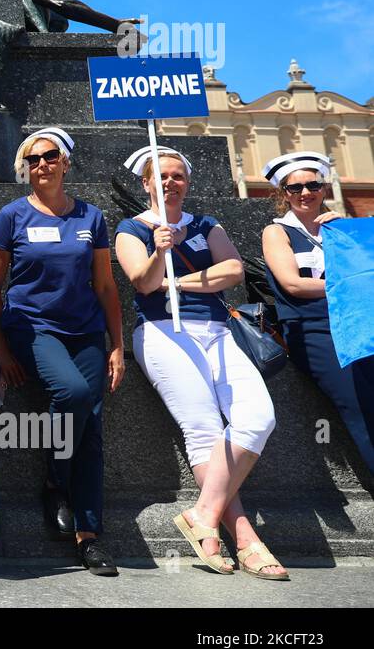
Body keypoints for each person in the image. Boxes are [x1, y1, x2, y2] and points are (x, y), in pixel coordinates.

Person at [115, 146, 286, 580]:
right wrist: (158, 252)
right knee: (204, 430)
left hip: (216, 332)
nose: (171, 182)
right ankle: (242, 536)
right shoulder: (131, 229)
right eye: (162, 176)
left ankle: (202, 515)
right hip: (162, 333)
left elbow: (231, 270)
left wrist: (177, 280)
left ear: (187, 183)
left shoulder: (206, 224)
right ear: (146, 183)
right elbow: (142, 282)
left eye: (178, 176)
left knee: (258, 417)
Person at [0, 127, 125, 576]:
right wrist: (0, 350)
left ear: (66, 163)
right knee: (74, 394)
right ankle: (54, 479)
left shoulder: (91, 217)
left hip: (85, 332)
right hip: (31, 327)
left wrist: (118, 345)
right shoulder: (11, 216)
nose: (42, 164)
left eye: (50, 156)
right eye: (33, 159)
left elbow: (104, 285)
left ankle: (89, 538)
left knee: (92, 433)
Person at [262, 151, 374, 477]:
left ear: (324, 188)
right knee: (358, 406)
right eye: (294, 188)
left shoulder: (343, 228)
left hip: (358, 322)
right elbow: (292, 285)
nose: (305, 193)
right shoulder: (277, 231)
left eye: (313, 185)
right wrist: (345, 286)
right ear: (283, 194)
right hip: (313, 329)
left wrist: (346, 234)